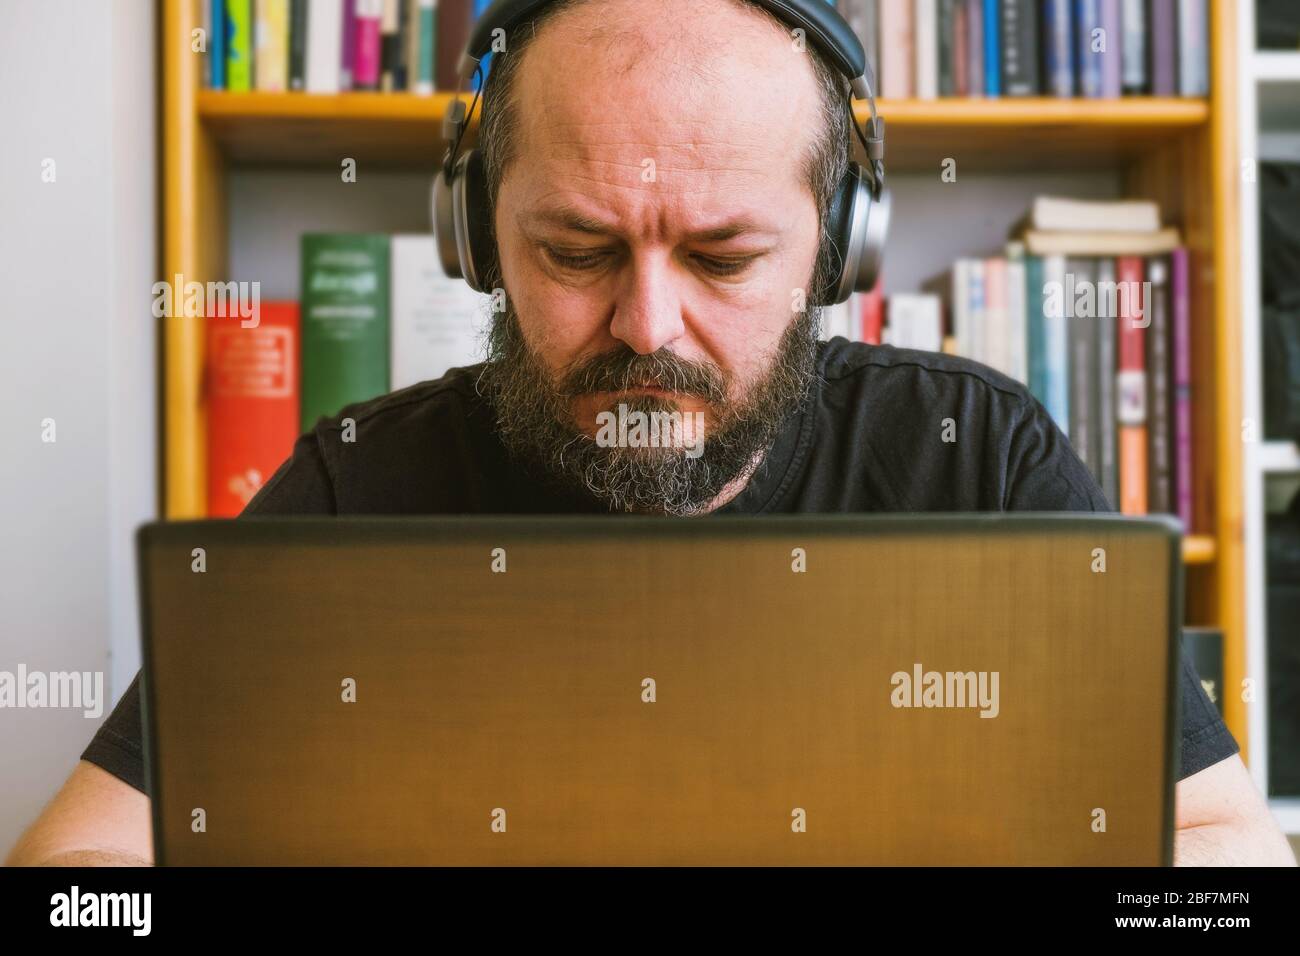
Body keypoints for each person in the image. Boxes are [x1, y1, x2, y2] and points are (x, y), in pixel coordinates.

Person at [8, 0, 1294, 867]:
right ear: (473, 238)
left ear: (840, 252)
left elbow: (1228, 848)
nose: (645, 323)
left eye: (725, 255)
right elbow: (80, 870)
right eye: (575, 250)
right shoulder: (359, 487)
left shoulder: (972, 449)